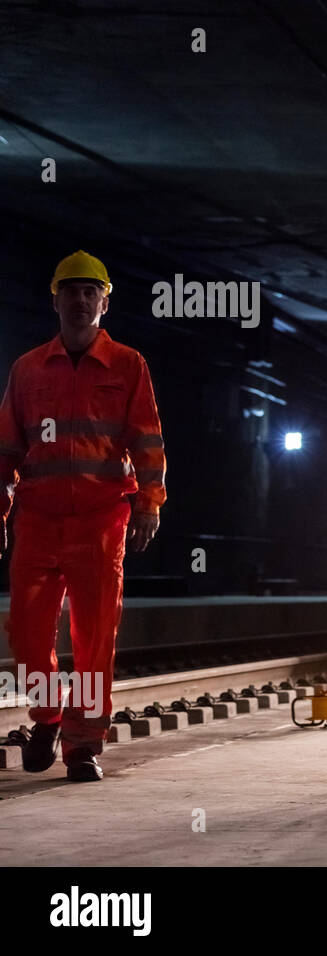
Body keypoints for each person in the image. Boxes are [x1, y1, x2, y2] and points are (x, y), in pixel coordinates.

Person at [0, 250, 166, 782]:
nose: (79, 299)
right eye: (70, 291)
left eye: (89, 290)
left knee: (95, 639)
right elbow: (6, 451)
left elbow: (147, 439)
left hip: (101, 521)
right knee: (27, 636)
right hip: (39, 522)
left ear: (105, 301)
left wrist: (148, 502)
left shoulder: (128, 365)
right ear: (55, 300)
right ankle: (48, 717)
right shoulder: (28, 369)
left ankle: (82, 744)